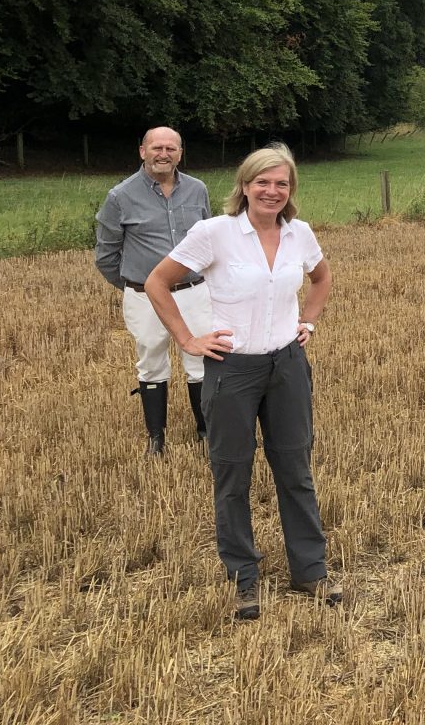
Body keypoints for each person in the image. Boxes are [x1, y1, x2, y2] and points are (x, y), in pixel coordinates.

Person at [144, 143, 337, 621]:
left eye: (281, 184)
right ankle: (242, 580)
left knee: (296, 470)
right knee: (232, 474)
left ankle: (310, 571)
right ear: (245, 186)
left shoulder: (300, 234)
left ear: (291, 190)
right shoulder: (215, 233)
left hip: (288, 367)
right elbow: (157, 282)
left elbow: (322, 279)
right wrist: (188, 339)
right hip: (232, 370)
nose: (272, 191)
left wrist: (308, 322)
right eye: (263, 182)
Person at [94, 126, 214, 456]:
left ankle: (205, 432)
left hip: (192, 291)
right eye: (157, 147)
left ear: (180, 153)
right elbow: (106, 255)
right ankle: (156, 439)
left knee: (201, 358)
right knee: (151, 360)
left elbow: (210, 240)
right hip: (145, 298)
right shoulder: (120, 196)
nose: (164, 153)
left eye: (171, 148)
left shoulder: (197, 190)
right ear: (142, 151)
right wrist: (136, 288)